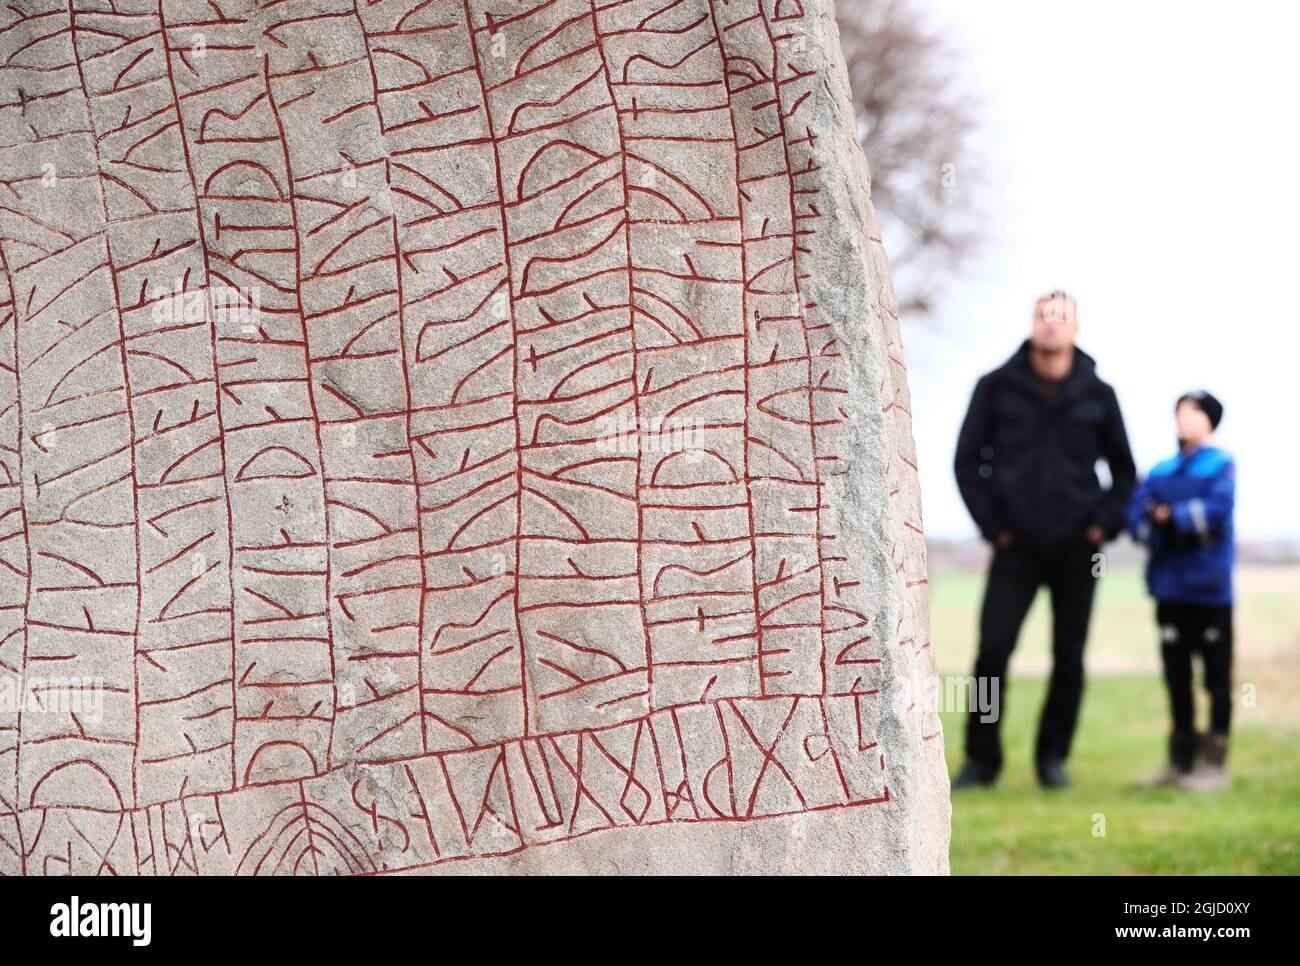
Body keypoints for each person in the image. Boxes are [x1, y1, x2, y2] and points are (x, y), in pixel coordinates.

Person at [953, 291, 1136, 789]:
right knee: (992, 650)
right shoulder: (994, 387)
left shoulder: (1100, 394)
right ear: (1032, 323)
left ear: (1076, 328)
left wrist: (1103, 525)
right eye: (1043, 316)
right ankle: (981, 760)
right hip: (1015, 547)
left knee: (1069, 655)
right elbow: (968, 462)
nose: (1051, 325)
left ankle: (1052, 758)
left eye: (1062, 318)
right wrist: (994, 528)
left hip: (1079, 548)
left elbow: (1124, 473)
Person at [1128, 391, 1236, 792]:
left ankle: (1215, 766)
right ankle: (1179, 762)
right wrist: (1163, 519)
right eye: (1179, 411)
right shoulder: (1159, 470)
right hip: (1168, 590)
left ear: (1210, 420)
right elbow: (1136, 518)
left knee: (1216, 679)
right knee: (1176, 677)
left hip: (1210, 591)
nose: (1184, 419)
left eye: (1193, 412)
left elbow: (1216, 513)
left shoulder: (1221, 465)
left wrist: (1169, 516)